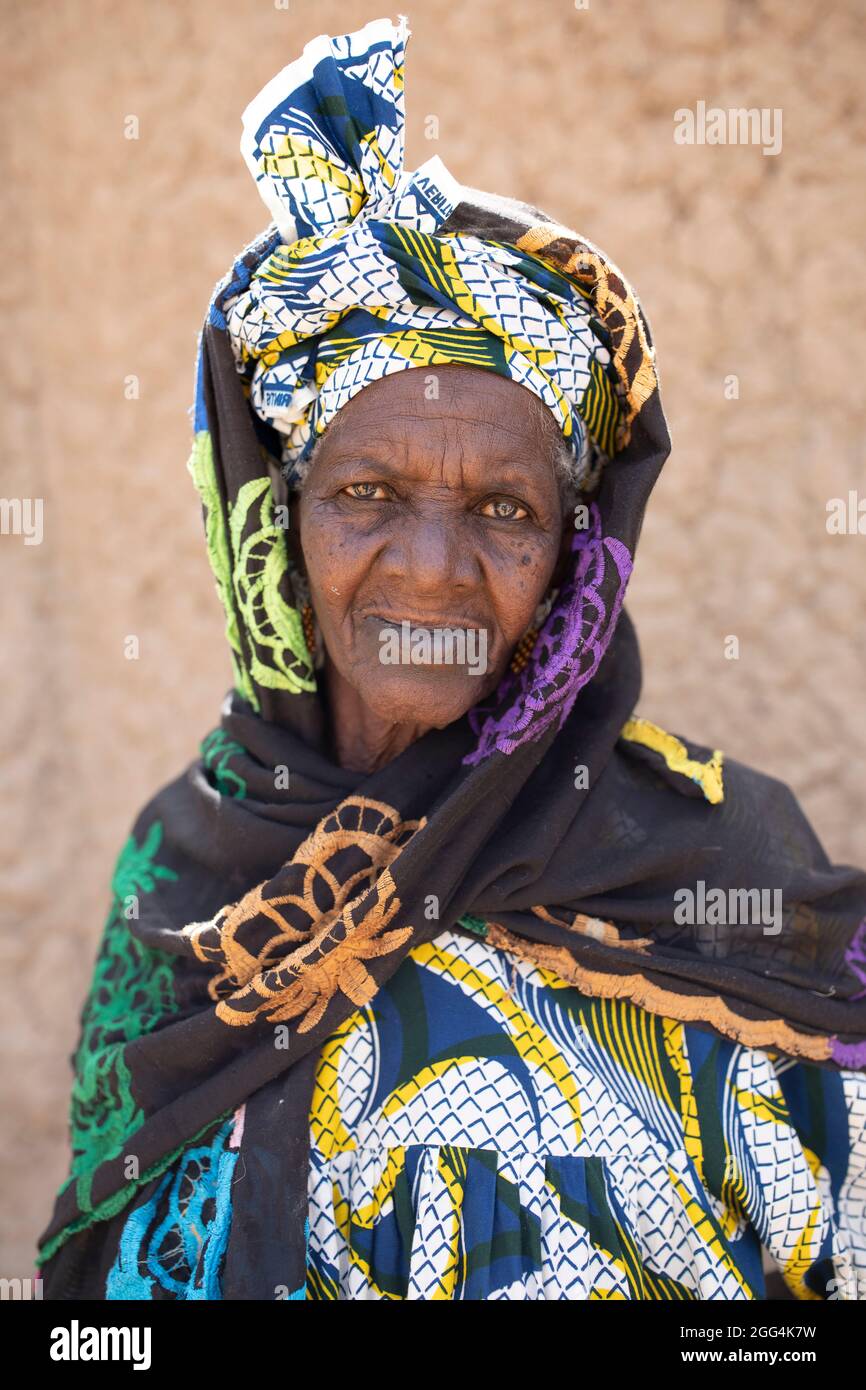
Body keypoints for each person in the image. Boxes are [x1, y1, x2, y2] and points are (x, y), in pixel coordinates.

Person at [37, 15, 866, 1302]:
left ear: (574, 561)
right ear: (277, 527)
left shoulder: (725, 861)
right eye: (365, 491)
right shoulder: (184, 873)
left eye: (503, 511)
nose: (431, 566)